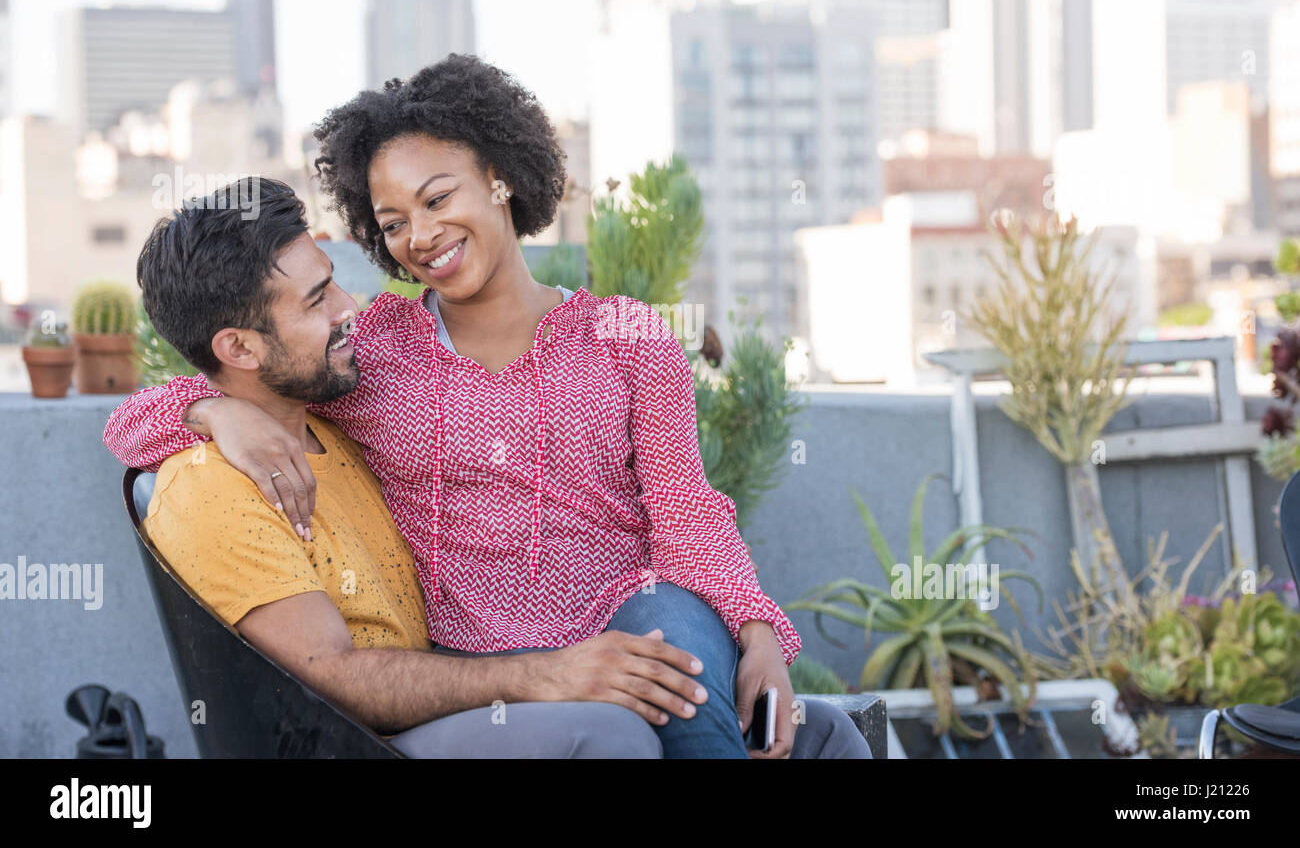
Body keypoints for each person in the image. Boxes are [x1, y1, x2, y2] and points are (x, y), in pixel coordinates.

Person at [104, 55, 872, 759]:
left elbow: (687, 511)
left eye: (438, 198)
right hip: (481, 663)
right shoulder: (372, 351)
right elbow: (136, 421)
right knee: (690, 703)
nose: (421, 236)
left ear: (502, 179)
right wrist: (211, 412)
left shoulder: (628, 337)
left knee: (789, 712)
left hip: (635, 613)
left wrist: (759, 629)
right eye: (393, 222)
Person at [134, 179, 716, 758]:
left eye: (332, 280)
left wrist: (208, 406)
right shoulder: (211, 488)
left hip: (453, 698)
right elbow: (332, 677)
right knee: (613, 732)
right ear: (238, 349)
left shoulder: (335, 420)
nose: (348, 307)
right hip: (364, 741)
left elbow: (688, 509)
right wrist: (539, 675)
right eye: (317, 299)